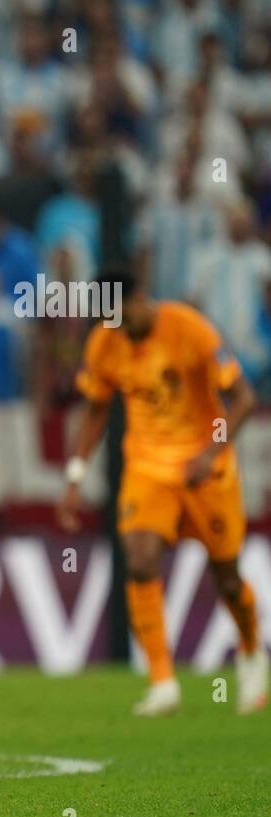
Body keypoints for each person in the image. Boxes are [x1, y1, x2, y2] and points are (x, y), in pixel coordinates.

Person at [58, 271, 267, 716]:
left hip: (204, 470)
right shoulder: (106, 340)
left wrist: (213, 451)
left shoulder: (189, 329)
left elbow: (243, 398)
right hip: (148, 468)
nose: (116, 325)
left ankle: (251, 653)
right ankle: (162, 681)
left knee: (226, 577)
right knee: (139, 557)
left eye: (120, 314)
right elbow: (96, 408)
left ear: (138, 297)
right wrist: (75, 474)